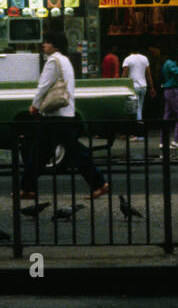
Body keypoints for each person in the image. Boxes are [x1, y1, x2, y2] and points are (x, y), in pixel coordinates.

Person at [19, 31, 109, 199]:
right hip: (65, 113)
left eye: (47, 42)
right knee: (44, 152)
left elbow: (43, 85)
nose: (43, 45)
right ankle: (27, 188)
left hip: (55, 114)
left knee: (61, 151)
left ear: (55, 45)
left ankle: (99, 183)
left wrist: (35, 105)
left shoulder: (53, 61)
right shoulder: (65, 60)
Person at [159, 50, 178, 157]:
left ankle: (163, 141)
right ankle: (177, 140)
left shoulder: (167, 63)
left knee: (166, 116)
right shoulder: (171, 64)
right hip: (173, 91)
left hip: (168, 91)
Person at [121, 46, 155, 134]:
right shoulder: (144, 58)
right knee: (140, 107)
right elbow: (148, 74)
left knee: (133, 109)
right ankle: (139, 130)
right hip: (143, 86)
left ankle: (138, 132)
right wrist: (151, 87)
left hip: (133, 87)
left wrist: (121, 85)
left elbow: (124, 74)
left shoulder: (127, 59)